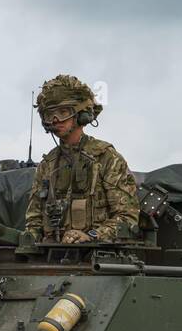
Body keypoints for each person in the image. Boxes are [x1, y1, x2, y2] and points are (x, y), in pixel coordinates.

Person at [22, 75, 140, 244]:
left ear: (82, 115)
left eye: (63, 112)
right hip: (50, 258)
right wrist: (30, 238)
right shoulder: (47, 165)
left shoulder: (106, 158)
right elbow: (34, 221)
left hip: (96, 258)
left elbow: (127, 218)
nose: (56, 120)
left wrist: (92, 236)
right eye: (50, 115)